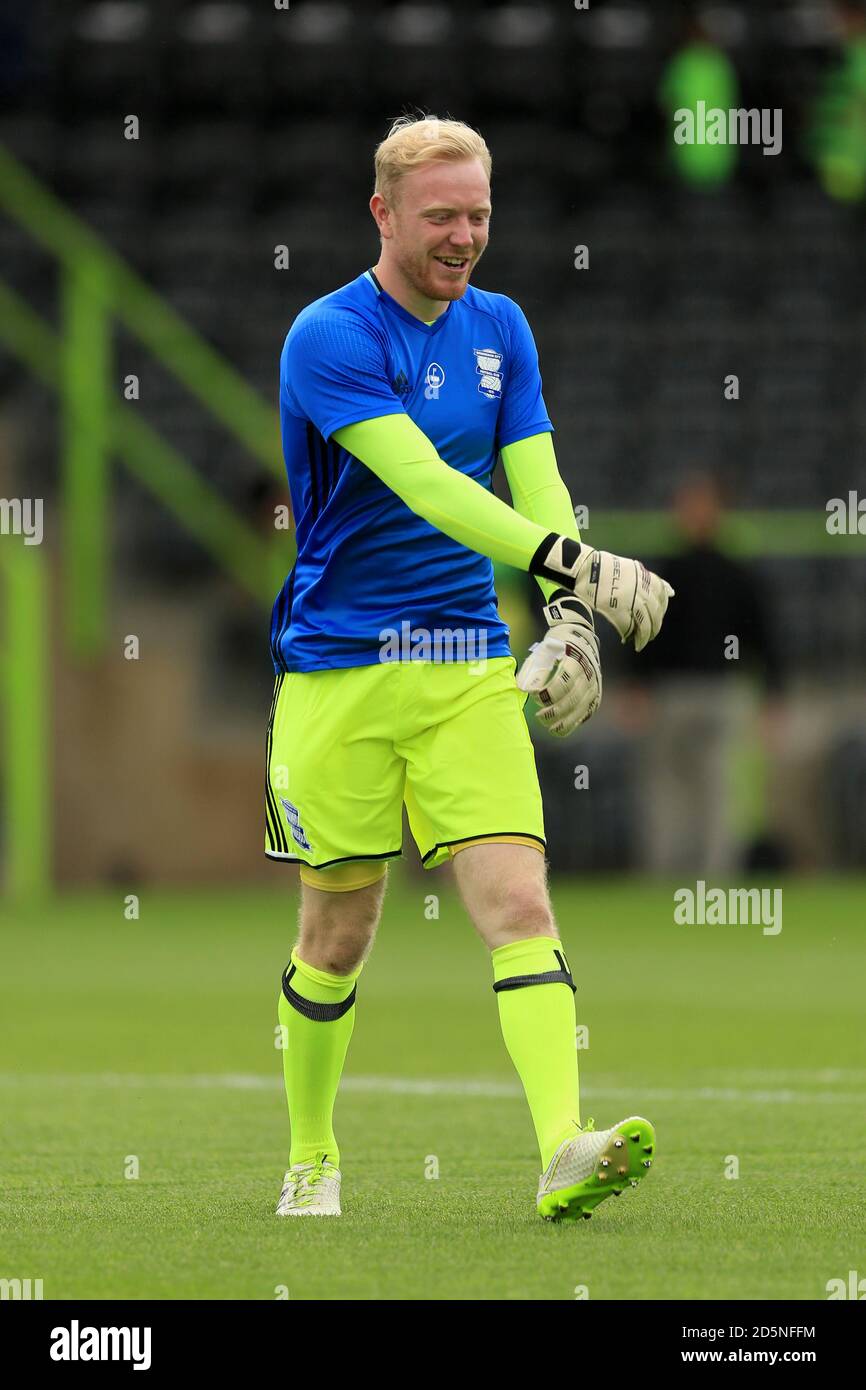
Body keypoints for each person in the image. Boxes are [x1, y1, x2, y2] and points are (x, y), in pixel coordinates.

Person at [265, 115, 672, 1222]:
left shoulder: (502, 327)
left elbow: (532, 477)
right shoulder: (327, 333)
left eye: (479, 214)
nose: (462, 235)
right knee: (335, 932)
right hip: (338, 671)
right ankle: (311, 1155)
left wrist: (569, 609)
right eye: (439, 214)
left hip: (461, 663)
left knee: (518, 899)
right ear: (383, 213)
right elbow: (427, 488)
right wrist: (579, 561)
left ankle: (560, 1149)